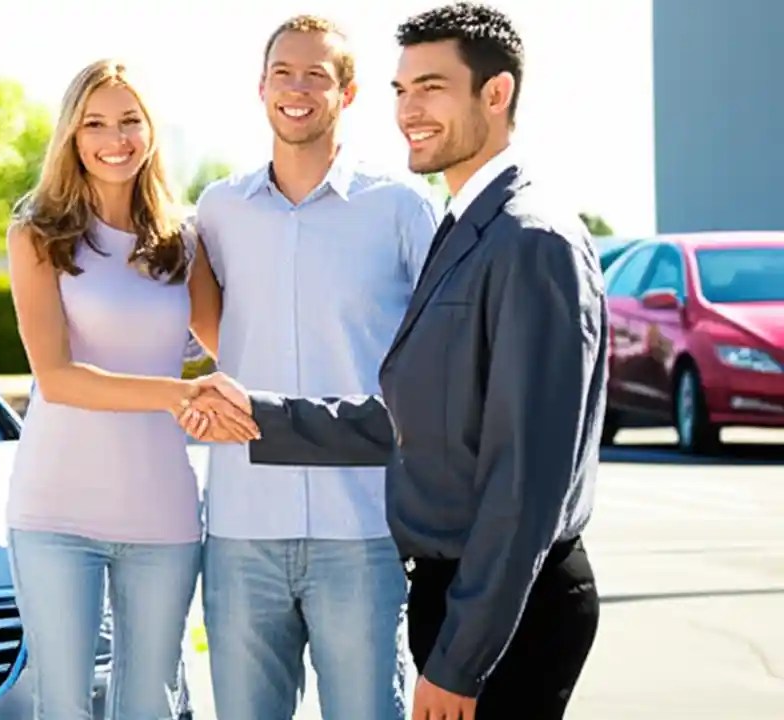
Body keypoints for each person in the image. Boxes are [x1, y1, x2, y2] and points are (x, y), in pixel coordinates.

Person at [186, 3, 607, 719]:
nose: (411, 109)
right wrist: (257, 415)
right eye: (404, 89)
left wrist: (461, 658)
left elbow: (525, 483)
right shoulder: (470, 225)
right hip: (448, 590)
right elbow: (419, 417)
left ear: (495, 93)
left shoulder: (527, 239)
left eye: (433, 87)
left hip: (494, 605)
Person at [185, 14, 440, 720]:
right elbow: (215, 331)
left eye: (317, 75)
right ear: (261, 87)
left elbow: (439, 354)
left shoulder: (401, 207)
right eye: (284, 73)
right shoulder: (219, 209)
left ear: (348, 94)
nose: (297, 89)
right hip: (241, 529)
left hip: (360, 528)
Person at [3, 58, 256, 720]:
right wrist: (178, 396)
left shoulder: (182, 239)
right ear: (72, 136)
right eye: (95, 124)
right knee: (63, 706)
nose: (115, 139)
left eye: (129, 121)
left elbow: (235, 348)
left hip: (162, 514)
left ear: (150, 131)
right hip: (55, 512)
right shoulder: (38, 233)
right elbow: (56, 380)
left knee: (149, 705)